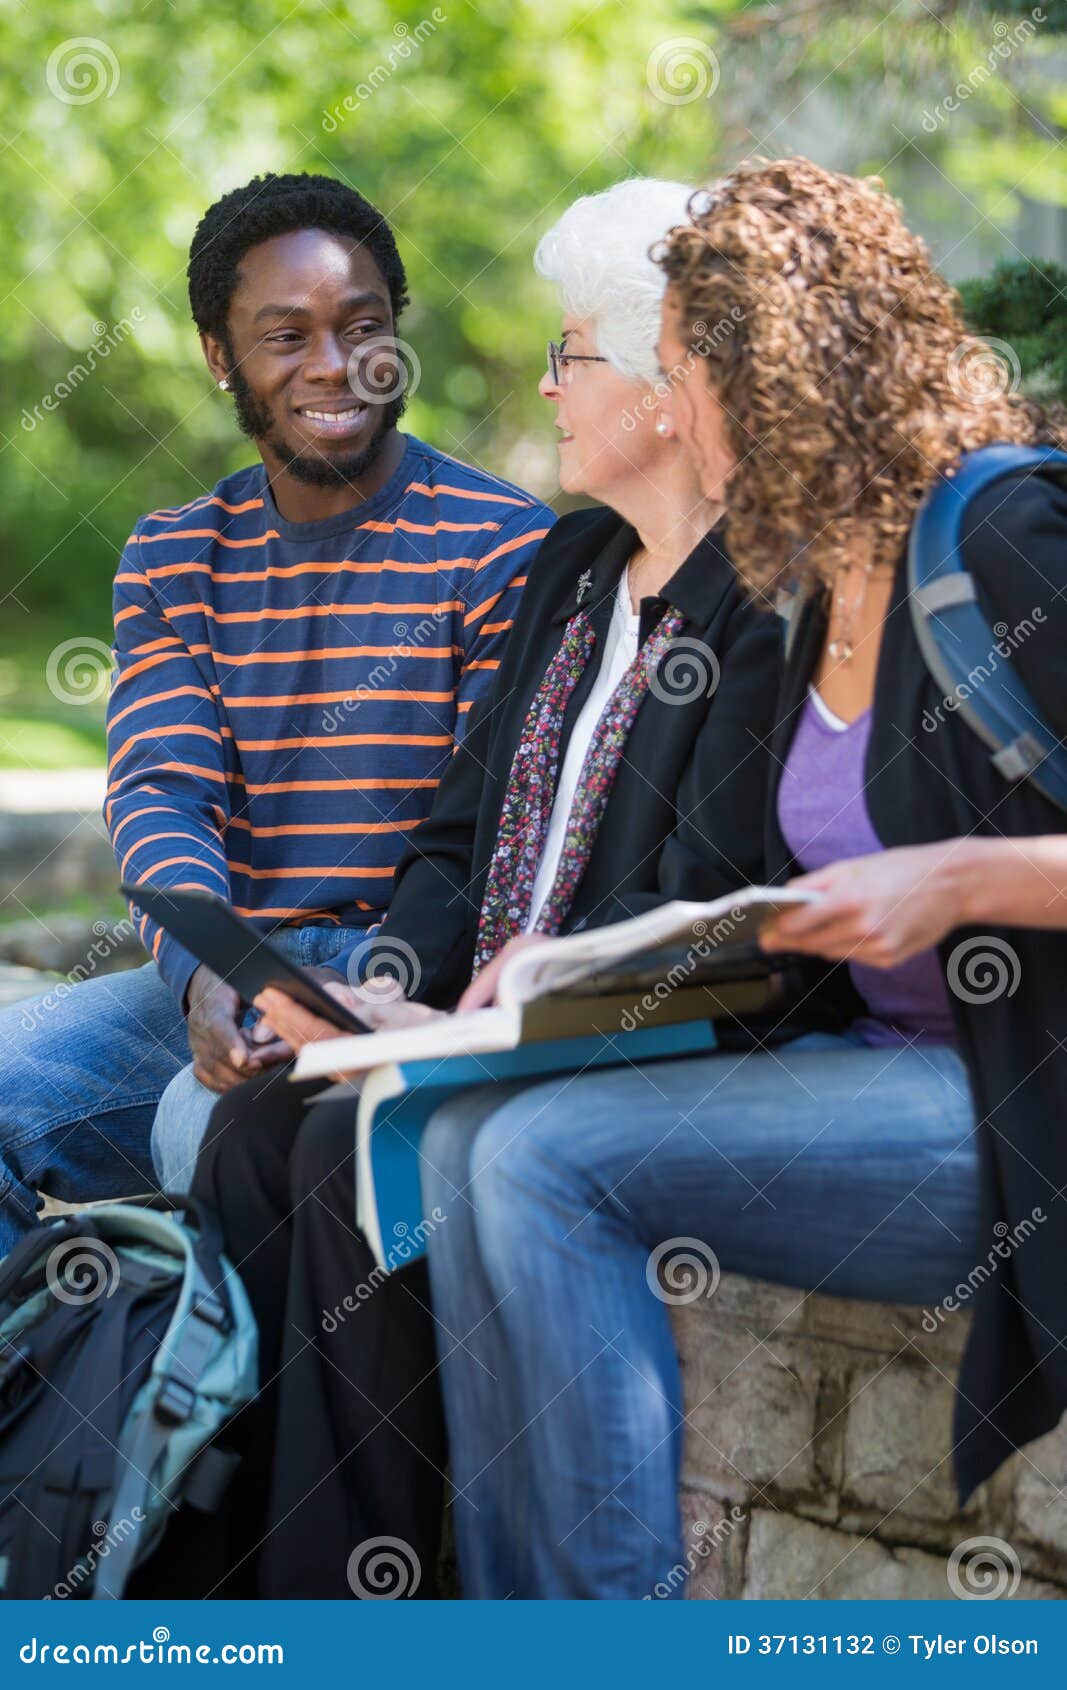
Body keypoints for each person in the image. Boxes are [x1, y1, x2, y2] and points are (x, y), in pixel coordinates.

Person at [413, 157, 1067, 1597]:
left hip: (1014, 1109)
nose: (674, 405)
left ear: (764, 372)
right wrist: (575, 971)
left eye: (682, 366)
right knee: (462, 1143)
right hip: (882, 1073)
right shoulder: (816, 585)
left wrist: (957, 878)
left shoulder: (999, 540)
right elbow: (764, 911)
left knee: (539, 1159)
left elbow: (950, 873)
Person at [185, 178, 785, 1598]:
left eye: (571, 353)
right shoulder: (575, 570)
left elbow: (709, 905)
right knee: (258, 1126)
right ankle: (231, 1575)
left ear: (662, 383)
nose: (544, 383)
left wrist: (483, 1013)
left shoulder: (767, 600)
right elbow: (456, 841)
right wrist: (388, 979)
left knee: (353, 1147)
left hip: (638, 1026)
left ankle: (362, 1597)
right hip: (483, 1010)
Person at [0, 172, 552, 1256]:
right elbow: (163, 792)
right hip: (225, 974)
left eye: (363, 327)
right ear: (220, 356)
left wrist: (362, 987)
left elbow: (486, 837)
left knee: (205, 1133)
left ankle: (220, 1412)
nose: (333, 365)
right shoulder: (175, 556)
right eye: (284, 335)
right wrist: (210, 971)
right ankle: (67, 1396)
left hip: (405, 979)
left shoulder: (501, 542)